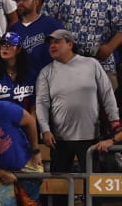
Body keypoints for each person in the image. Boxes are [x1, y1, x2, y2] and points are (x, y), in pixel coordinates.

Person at [35, 29, 121, 176]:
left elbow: (107, 94)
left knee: (93, 186)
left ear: (70, 44)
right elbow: (41, 104)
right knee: (59, 186)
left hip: (91, 137)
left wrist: (114, 120)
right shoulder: (46, 72)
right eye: (51, 43)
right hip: (59, 139)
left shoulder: (91, 64)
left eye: (57, 42)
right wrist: (45, 129)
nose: (52, 46)